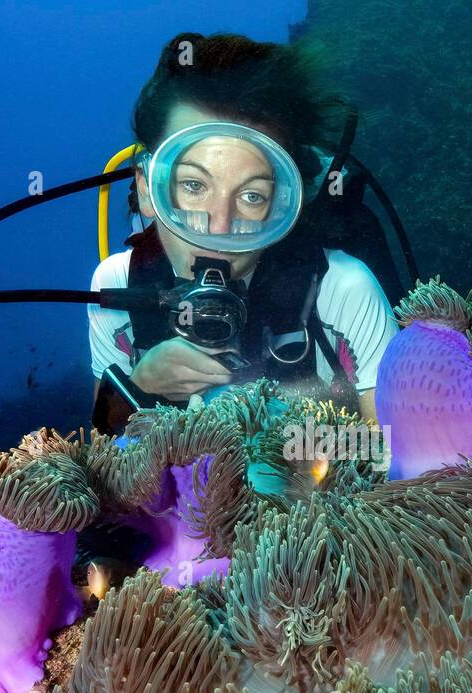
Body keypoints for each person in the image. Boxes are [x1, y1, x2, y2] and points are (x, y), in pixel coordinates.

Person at [88, 33, 399, 425]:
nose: (219, 227)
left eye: (252, 196)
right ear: (148, 190)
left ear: (282, 205)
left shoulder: (344, 291)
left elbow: (397, 451)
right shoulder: (116, 287)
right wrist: (140, 384)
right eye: (194, 185)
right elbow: (97, 450)